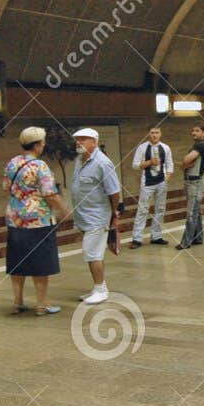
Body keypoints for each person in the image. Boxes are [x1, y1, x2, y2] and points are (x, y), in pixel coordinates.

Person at [2, 126, 69, 315]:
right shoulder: (40, 166)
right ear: (38, 144)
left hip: (15, 219)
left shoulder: (12, 163)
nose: (44, 145)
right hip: (38, 220)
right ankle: (41, 304)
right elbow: (50, 194)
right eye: (43, 142)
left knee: (17, 262)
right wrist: (64, 209)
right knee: (41, 263)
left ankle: (17, 302)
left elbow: (5, 187)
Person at [70, 127, 123, 304]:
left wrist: (114, 213)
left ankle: (101, 289)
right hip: (84, 215)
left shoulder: (102, 163)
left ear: (94, 142)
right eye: (77, 139)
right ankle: (99, 287)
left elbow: (114, 192)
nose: (79, 143)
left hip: (98, 216)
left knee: (91, 252)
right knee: (94, 253)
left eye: (83, 139)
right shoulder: (80, 159)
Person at [129, 126, 173, 247]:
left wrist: (167, 178)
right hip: (147, 183)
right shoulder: (142, 147)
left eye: (157, 132)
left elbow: (170, 164)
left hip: (161, 182)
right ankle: (137, 239)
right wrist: (149, 163)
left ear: (160, 134)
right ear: (149, 134)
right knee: (142, 210)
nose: (154, 135)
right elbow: (134, 165)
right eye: (152, 133)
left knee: (160, 209)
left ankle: (156, 236)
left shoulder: (165, 147)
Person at [177, 123, 204, 249]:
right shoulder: (197, 146)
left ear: (203, 132)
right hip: (192, 182)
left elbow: (185, 161)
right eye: (192, 131)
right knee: (196, 211)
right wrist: (184, 165)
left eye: (197, 130)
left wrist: (183, 164)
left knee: (191, 213)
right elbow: (186, 163)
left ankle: (186, 242)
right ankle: (198, 237)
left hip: (195, 183)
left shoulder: (200, 145)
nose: (193, 133)